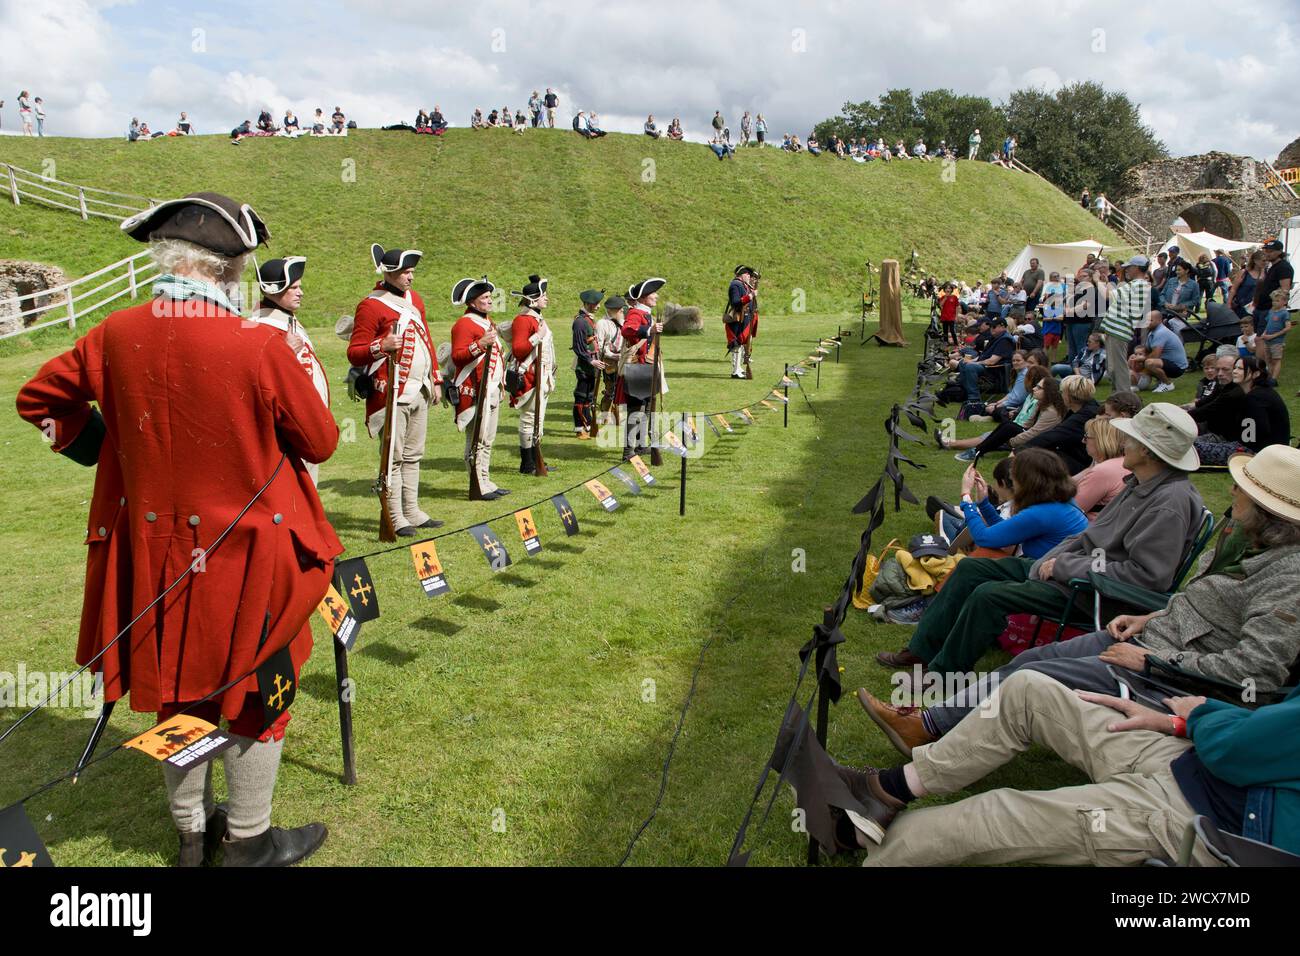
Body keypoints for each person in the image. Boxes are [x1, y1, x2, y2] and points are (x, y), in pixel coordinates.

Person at [18, 191, 340, 867]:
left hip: (153, 555)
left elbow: (39, 401)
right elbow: (319, 441)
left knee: (178, 693)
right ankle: (248, 841)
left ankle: (191, 836)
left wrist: (105, 451)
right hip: (250, 555)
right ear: (230, 270)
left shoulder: (114, 333)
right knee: (258, 693)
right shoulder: (259, 343)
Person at [859, 443, 1300, 773]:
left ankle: (931, 734)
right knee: (1029, 655)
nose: (1229, 489)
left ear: (1267, 511)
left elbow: (1254, 672)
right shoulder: (1236, 536)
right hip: (1140, 626)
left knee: (1030, 672)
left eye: (1241, 488)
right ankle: (930, 714)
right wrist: (1152, 618)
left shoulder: (1285, 575)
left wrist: (1152, 657)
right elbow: (1194, 602)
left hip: (1146, 647)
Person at [876, 403, 1205, 677]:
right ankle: (919, 652)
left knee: (989, 595)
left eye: (1130, 440)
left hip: (1093, 591)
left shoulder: (1169, 502)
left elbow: (1149, 577)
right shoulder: (1140, 483)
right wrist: (1059, 559)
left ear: (1147, 451)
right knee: (970, 571)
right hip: (1070, 572)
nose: (1123, 445)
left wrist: (1064, 564)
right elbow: (1086, 536)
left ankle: (942, 674)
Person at [346, 245, 443, 536]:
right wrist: (381, 346)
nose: (410, 277)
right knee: (394, 456)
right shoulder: (371, 305)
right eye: (405, 272)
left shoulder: (416, 301)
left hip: (420, 389)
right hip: (392, 391)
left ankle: (412, 510)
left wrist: (436, 379)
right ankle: (394, 515)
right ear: (389, 273)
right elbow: (355, 352)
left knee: (414, 454)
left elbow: (427, 339)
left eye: (412, 271)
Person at [246, 257, 329, 484]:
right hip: (286, 428)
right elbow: (256, 379)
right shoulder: (260, 327)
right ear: (275, 289)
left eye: (299, 286)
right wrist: (287, 353)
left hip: (305, 422)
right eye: (293, 287)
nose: (300, 292)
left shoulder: (285, 319)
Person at [949, 448, 1089, 559]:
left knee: (975, 562)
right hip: (1053, 569)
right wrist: (984, 504)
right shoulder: (1058, 502)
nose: (1013, 482)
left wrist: (966, 497)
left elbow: (984, 538)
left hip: (1045, 578)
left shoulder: (1041, 513)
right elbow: (1008, 530)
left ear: (1028, 481)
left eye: (1014, 477)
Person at [450, 277, 509, 500]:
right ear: (473, 302)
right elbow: (458, 357)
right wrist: (480, 344)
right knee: (475, 438)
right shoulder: (464, 324)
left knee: (488, 438)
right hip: (474, 390)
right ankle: (476, 483)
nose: (489, 301)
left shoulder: (487, 322)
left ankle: (485, 479)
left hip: (491, 388)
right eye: (484, 298)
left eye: (489, 297)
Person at [940, 369, 1064, 463]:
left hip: (1040, 443)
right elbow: (1027, 424)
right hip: (1024, 433)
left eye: (1039, 387)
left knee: (1004, 430)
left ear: (1048, 392)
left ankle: (974, 450)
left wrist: (1012, 441)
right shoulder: (1041, 403)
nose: (1034, 388)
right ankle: (972, 449)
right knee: (1006, 427)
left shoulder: (1051, 412)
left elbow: (1035, 433)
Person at [509, 275, 558, 476]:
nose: (546, 298)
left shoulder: (535, 318)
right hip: (530, 376)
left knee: (537, 420)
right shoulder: (523, 320)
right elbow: (519, 349)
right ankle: (527, 463)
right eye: (543, 295)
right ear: (532, 299)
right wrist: (538, 335)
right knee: (529, 419)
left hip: (542, 375)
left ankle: (536, 459)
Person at [617, 278, 667, 461]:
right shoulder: (636, 313)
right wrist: (649, 329)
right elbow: (627, 330)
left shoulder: (645, 313)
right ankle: (628, 451)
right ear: (645, 297)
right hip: (638, 366)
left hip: (647, 366)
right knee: (636, 410)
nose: (656, 296)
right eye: (653, 294)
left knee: (645, 408)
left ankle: (640, 445)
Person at [1020, 373, 1100, 474]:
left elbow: (1055, 435)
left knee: (1044, 457)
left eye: (1062, 392)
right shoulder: (1084, 408)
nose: (1060, 394)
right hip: (1080, 457)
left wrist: (1019, 451)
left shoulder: (1085, 414)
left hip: (1084, 463)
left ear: (1070, 395)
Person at [1099, 254, 1153, 394]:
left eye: (1129, 267)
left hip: (1119, 331)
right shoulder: (1136, 285)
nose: (1126, 270)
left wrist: (1096, 281)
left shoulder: (1138, 284)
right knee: (1112, 367)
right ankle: (1117, 397)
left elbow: (1108, 295)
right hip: (1116, 330)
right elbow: (1115, 296)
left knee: (1118, 367)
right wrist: (1106, 282)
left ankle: (1123, 397)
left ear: (1137, 268)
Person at [1071, 417, 1131, 518]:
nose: (1083, 441)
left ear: (1101, 440)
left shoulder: (1104, 470)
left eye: (1086, 436)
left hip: (1090, 529)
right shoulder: (1124, 462)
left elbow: (1071, 511)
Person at [953, 316, 1015, 403]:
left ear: (1003, 327)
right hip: (987, 366)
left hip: (995, 370)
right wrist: (972, 361)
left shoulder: (1005, 340)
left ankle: (974, 398)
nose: (991, 329)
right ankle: (962, 391)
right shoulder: (996, 337)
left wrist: (975, 363)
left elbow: (992, 361)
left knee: (970, 367)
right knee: (963, 363)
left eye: (994, 327)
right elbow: (984, 355)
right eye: (991, 326)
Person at [571, 289, 606, 438]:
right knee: (581, 395)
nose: (598, 306)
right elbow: (579, 347)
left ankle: (588, 424)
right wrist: (591, 360)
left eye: (598, 303)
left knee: (589, 397)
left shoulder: (588, 319)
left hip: (592, 365)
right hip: (584, 365)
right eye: (595, 303)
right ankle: (579, 428)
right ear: (586, 303)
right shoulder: (580, 321)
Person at [594, 294, 626, 429]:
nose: (622, 312)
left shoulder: (623, 322)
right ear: (613, 310)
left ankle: (618, 416)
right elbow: (599, 346)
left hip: (623, 359)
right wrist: (613, 355)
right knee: (610, 390)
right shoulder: (602, 324)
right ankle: (604, 415)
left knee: (623, 390)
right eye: (620, 310)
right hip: (609, 362)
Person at [1252, 239, 1294, 336]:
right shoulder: (1272, 267)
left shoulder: (1283, 267)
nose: (1267, 253)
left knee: (1262, 339)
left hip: (1270, 309)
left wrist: (1276, 310)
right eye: (1266, 251)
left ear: (1279, 252)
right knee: (1258, 338)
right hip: (1261, 307)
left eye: (1270, 251)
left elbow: (1284, 290)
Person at [724, 265, 759, 378]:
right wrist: (750, 296)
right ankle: (735, 371)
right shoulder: (735, 285)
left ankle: (738, 368)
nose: (749, 277)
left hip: (744, 318)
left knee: (739, 344)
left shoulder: (743, 285)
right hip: (737, 319)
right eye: (748, 275)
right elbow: (735, 302)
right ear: (742, 275)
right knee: (736, 344)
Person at [1142, 309, 1189, 393]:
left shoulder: (1160, 332)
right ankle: (1160, 381)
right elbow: (1146, 350)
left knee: (1149, 363)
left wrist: (1141, 360)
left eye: (1150, 320)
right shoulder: (1152, 332)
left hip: (1178, 367)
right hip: (1167, 362)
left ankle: (1167, 384)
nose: (1147, 322)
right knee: (1143, 361)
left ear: (1159, 320)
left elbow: (1155, 355)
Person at [1259, 287, 1294, 382]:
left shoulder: (1285, 313)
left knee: (1276, 360)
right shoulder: (1271, 312)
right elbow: (1268, 324)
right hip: (1267, 340)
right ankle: (1269, 376)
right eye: (1273, 301)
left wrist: (1273, 336)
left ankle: (1274, 379)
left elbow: (1288, 327)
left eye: (1277, 301)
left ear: (1284, 301)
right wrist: (1264, 334)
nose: (1274, 303)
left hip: (1277, 342)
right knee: (1268, 360)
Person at [1227, 249, 1265, 321]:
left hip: (1258, 307)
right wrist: (1229, 303)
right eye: (1263, 260)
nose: (1265, 262)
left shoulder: (1267, 273)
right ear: (1255, 261)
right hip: (1242, 306)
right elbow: (1233, 289)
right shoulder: (1244, 273)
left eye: (1267, 260)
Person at [1039, 271, 1065, 358]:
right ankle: (1044, 359)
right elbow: (1045, 318)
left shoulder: (1059, 307)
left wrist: (1052, 318)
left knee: (1055, 346)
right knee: (1046, 346)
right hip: (1048, 330)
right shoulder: (1047, 307)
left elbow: (1061, 319)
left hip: (1057, 330)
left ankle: (1053, 360)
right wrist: (1055, 318)